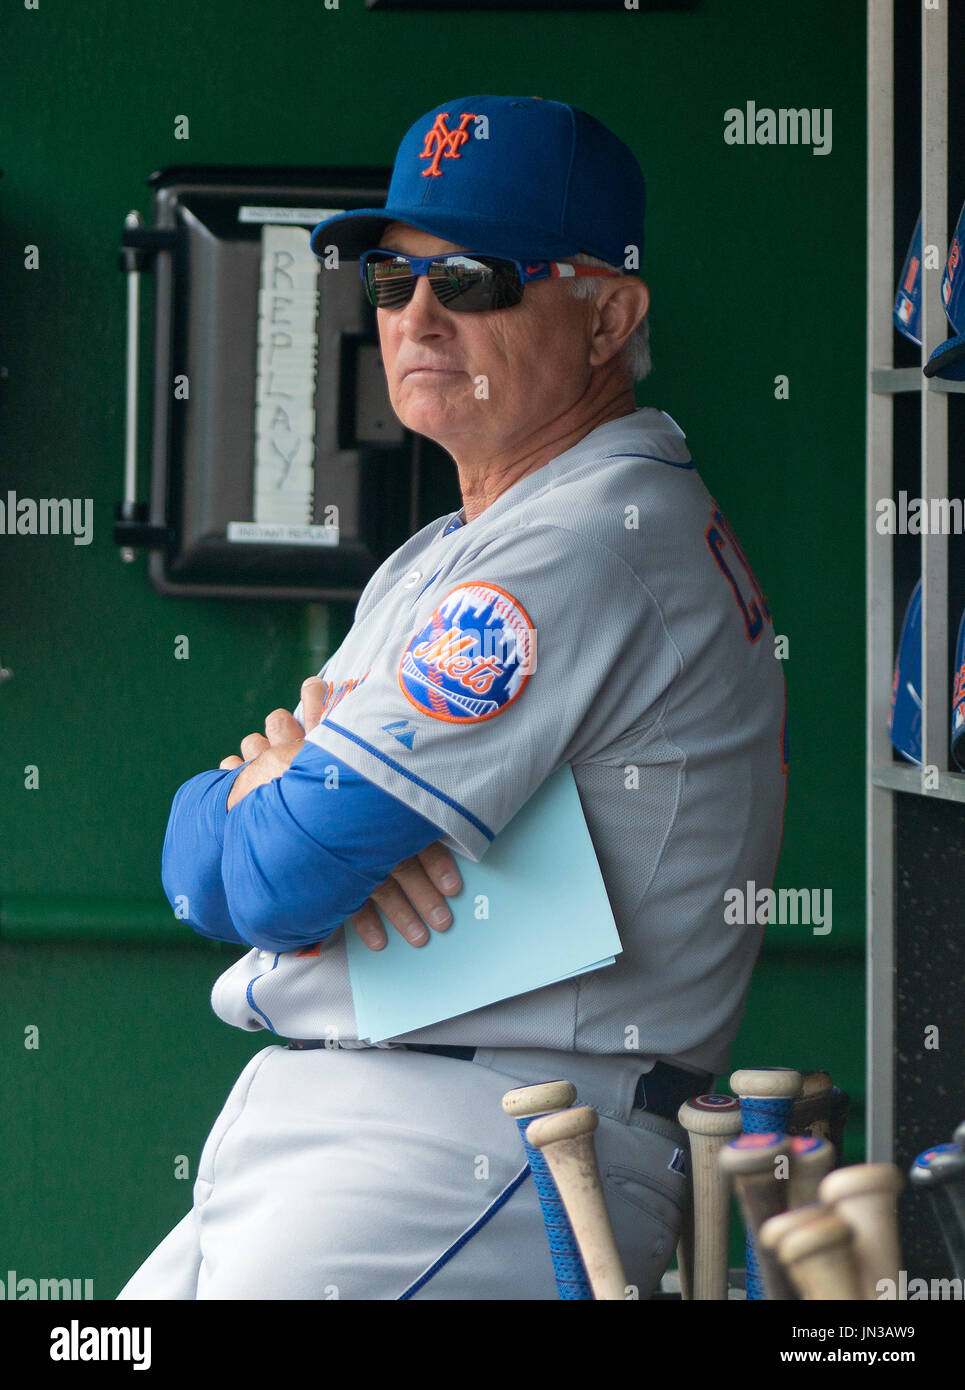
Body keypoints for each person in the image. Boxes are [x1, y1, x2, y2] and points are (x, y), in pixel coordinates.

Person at [116, 94, 787, 1301]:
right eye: (390, 278)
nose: (416, 315)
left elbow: (275, 874)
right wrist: (268, 800)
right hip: (362, 1117)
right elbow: (204, 861)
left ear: (607, 316)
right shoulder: (451, 547)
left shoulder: (585, 539)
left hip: (480, 1134)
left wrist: (281, 798)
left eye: (472, 278)